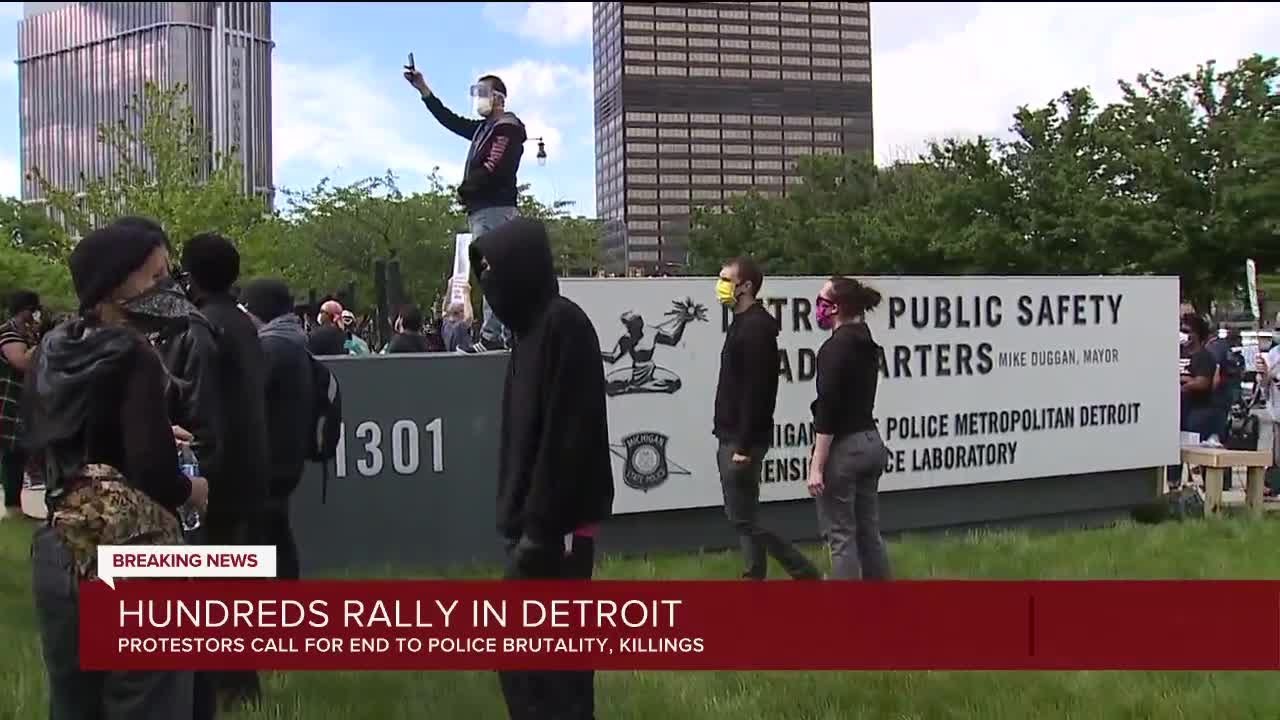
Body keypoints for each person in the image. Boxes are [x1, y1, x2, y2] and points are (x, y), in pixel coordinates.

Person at [26, 222, 208, 719]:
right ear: (114, 285)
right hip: (134, 559)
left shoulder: (53, 349)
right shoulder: (135, 353)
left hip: (60, 550)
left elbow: (69, 435)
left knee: (74, 705)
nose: (166, 287)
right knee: (149, 702)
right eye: (154, 276)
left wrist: (151, 428)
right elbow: (154, 475)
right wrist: (193, 488)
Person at [470, 218, 613, 720]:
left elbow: (569, 439)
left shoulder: (562, 325)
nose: (487, 280)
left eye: (491, 268)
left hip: (558, 529)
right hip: (533, 525)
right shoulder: (528, 332)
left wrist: (540, 529)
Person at [180, 233, 270, 714]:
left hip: (220, 475)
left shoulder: (203, 326)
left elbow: (205, 407)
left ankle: (226, 682)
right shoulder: (241, 322)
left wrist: (201, 476)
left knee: (215, 583)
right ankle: (240, 679)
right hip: (251, 469)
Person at [712, 256, 821, 581]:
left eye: (725, 279)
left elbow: (757, 392)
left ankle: (804, 572)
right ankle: (753, 577)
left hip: (741, 439)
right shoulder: (742, 323)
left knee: (742, 518)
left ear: (745, 286)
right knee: (746, 513)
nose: (719, 287)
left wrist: (743, 445)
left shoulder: (756, 329)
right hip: (733, 433)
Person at [404, 67, 527, 352]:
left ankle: (492, 336)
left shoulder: (507, 127)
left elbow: (495, 166)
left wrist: (466, 189)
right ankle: (505, 335)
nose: (478, 100)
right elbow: (451, 120)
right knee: (493, 272)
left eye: (483, 94)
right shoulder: (484, 129)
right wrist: (424, 90)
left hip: (495, 208)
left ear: (499, 98)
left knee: (492, 271)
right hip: (483, 209)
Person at [807, 277, 891, 580]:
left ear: (837, 307)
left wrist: (817, 465)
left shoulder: (834, 349)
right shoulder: (865, 341)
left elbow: (829, 410)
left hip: (845, 448)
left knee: (841, 536)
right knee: (869, 532)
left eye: (821, 300)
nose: (817, 307)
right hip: (871, 442)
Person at [240, 279, 314, 581]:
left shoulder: (270, 347)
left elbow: (249, 397)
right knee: (277, 530)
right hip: (287, 454)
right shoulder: (291, 341)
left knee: (266, 533)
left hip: (270, 456)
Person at [0, 290, 40, 516]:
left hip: (25, 401)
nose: (36, 315)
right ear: (25, 310)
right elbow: (21, 362)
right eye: (34, 310)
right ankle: (12, 508)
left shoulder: (27, 334)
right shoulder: (9, 331)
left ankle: (16, 507)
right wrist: (45, 342)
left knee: (22, 451)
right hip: (9, 400)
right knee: (12, 453)